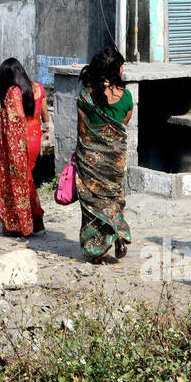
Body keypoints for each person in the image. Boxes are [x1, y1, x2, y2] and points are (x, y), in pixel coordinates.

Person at [75, 46, 133, 262]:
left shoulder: (84, 97)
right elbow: (124, 123)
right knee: (114, 199)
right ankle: (118, 234)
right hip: (115, 163)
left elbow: (82, 131)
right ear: (114, 70)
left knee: (92, 205)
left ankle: (99, 250)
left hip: (90, 162)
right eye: (121, 66)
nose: (123, 69)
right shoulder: (126, 96)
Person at [0, 58, 45, 238]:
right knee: (27, 179)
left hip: (20, 143)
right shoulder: (38, 87)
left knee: (19, 182)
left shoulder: (13, 92)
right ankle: (35, 221)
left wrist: (0, 112)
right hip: (35, 138)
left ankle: (22, 225)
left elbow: (16, 118)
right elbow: (44, 115)